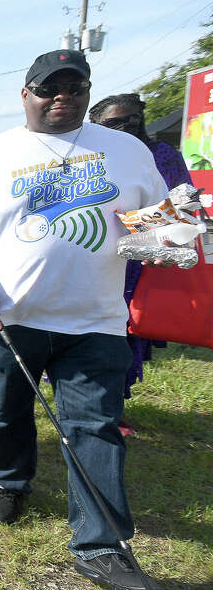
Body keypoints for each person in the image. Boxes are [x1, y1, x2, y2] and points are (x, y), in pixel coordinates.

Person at [0, 50, 173, 590]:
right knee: (8, 410)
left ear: (88, 93)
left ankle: (103, 545)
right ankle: (9, 482)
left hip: (96, 320)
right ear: (26, 94)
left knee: (94, 426)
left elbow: (155, 221)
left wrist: (166, 237)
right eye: (49, 87)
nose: (61, 96)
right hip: (8, 316)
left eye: (74, 87)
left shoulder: (126, 151)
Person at [88, 92, 194, 437]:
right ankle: (84, 403)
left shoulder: (162, 154)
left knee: (127, 335)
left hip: (143, 264)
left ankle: (112, 409)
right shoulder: (89, 154)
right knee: (90, 335)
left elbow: (180, 202)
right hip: (95, 257)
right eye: (114, 122)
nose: (126, 126)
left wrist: (162, 232)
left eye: (132, 118)